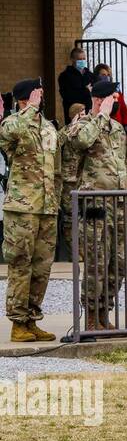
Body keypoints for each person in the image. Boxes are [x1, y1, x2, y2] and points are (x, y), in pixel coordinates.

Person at [65, 76, 127, 330]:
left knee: (118, 262)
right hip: (95, 206)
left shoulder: (116, 129)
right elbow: (81, 143)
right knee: (97, 262)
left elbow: (123, 164)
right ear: (98, 100)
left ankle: (106, 312)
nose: (115, 103)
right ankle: (91, 316)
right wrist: (100, 115)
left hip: (119, 204)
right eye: (112, 99)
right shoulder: (83, 124)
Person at [0, 79, 60, 342]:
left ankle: (32, 319)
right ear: (25, 98)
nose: (42, 97)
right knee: (20, 264)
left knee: (42, 266)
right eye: (37, 93)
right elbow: (6, 134)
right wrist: (27, 109)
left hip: (47, 207)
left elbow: (56, 167)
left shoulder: (48, 128)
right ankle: (17, 322)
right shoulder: (14, 122)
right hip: (22, 207)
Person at [55, 102, 88, 261]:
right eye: (81, 114)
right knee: (70, 216)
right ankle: (75, 253)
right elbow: (57, 142)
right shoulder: (66, 131)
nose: (84, 117)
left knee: (86, 216)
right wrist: (71, 125)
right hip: (69, 179)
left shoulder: (89, 129)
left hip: (85, 178)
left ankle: (86, 250)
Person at [57, 45, 93, 125]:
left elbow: (95, 91)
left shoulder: (89, 75)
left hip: (89, 111)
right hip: (73, 114)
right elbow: (67, 95)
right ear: (73, 59)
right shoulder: (65, 76)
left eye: (84, 59)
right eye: (80, 59)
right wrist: (86, 91)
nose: (82, 61)